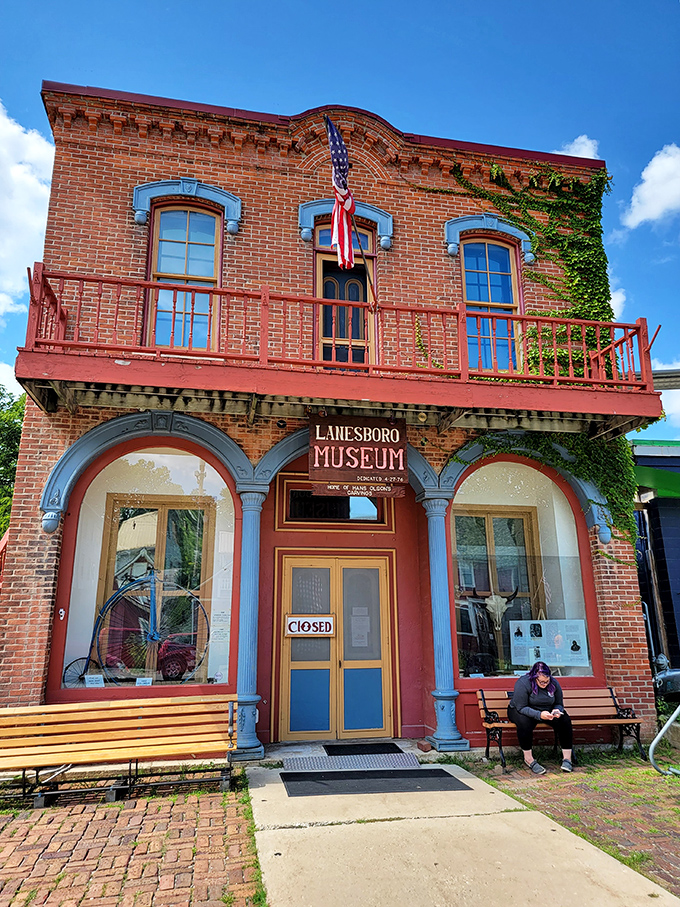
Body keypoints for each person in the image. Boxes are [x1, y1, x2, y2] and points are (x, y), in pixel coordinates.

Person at [508, 661, 573, 774]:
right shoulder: (523, 683)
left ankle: (567, 759)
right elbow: (521, 707)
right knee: (524, 723)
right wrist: (539, 715)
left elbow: (559, 703)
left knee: (564, 720)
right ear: (534, 677)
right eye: (541, 682)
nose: (545, 684)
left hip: (546, 710)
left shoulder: (554, 683)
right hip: (523, 709)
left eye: (547, 681)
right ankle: (529, 759)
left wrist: (557, 711)